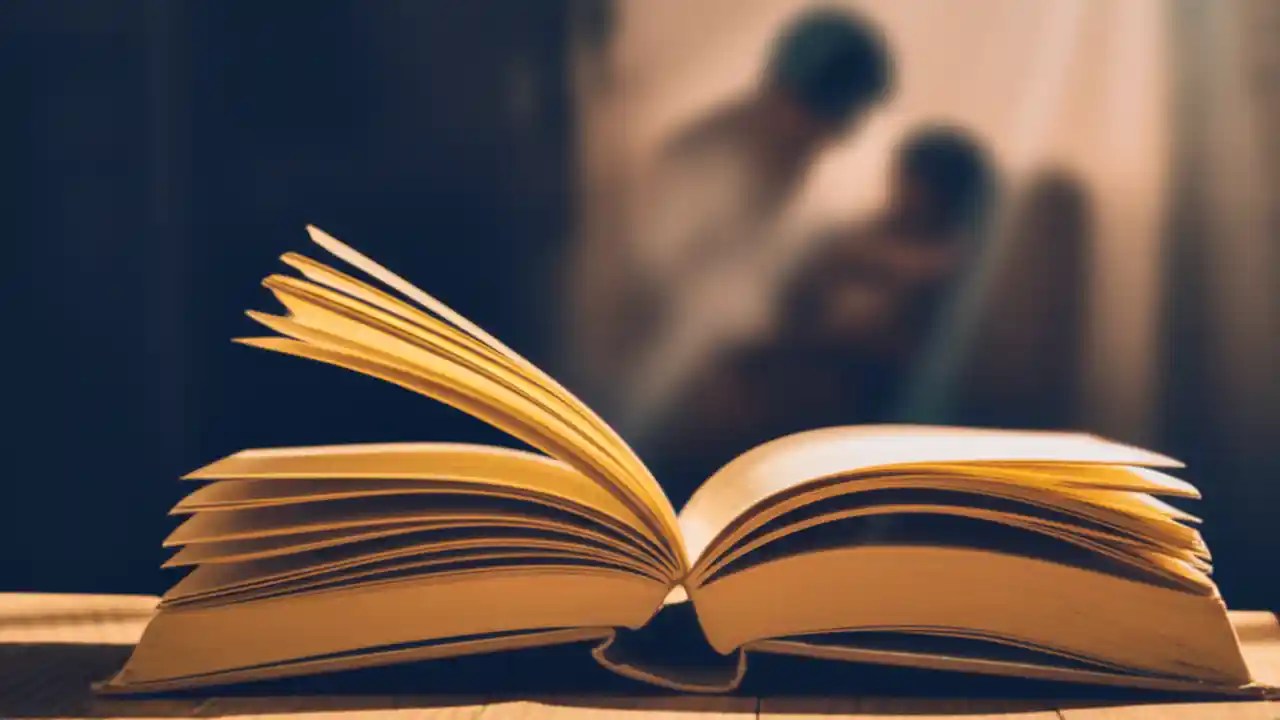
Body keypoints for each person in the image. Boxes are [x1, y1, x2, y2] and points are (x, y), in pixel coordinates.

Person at [567, 8, 894, 439]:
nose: (825, 139)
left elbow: (777, 274)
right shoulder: (707, 159)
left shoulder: (792, 175)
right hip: (632, 401)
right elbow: (648, 281)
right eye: (825, 116)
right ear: (785, 92)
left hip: (704, 398)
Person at [648, 125, 998, 503]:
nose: (905, 192)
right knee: (710, 403)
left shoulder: (947, 269)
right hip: (790, 368)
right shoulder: (858, 234)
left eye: (920, 185)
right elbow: (794, 301)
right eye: (904, 178)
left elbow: (896, 348)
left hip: (843, 396)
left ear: (945, 196)